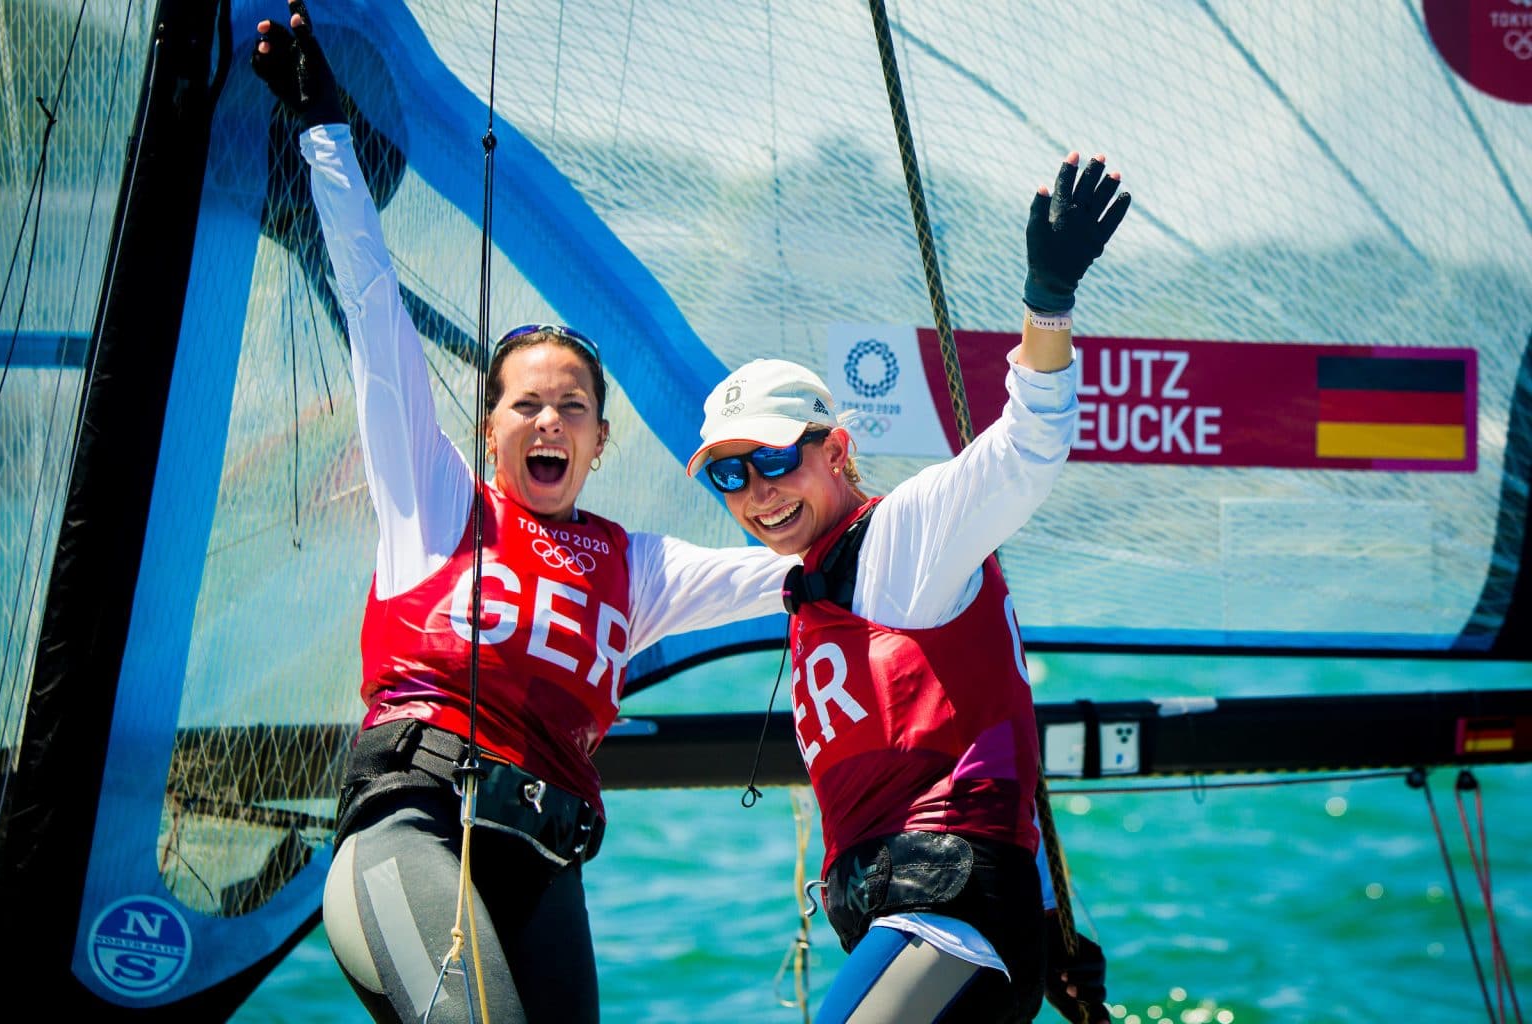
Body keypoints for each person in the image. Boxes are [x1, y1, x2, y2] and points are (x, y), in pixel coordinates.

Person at [251, 5, 794, 1023]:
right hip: (410, 833)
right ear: (489, 428)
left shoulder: (640, 568)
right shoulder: (435, 503)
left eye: (573, 407)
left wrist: (940, 518)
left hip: (544, 869)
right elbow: (374, 315)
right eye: (526, 403)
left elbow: (813, 568)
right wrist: (323, 128)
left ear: (597, 442)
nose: (549, 419)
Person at [686, 152, 1129, 1022]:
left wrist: (1047, 300)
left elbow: (1026, 446)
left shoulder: (907, 533)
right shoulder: (805, 581)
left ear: (838, 450)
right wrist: (1047, 925)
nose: (760, 490)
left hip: (950, 923)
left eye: (778, 459)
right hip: (933, 922)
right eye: (730, 477)